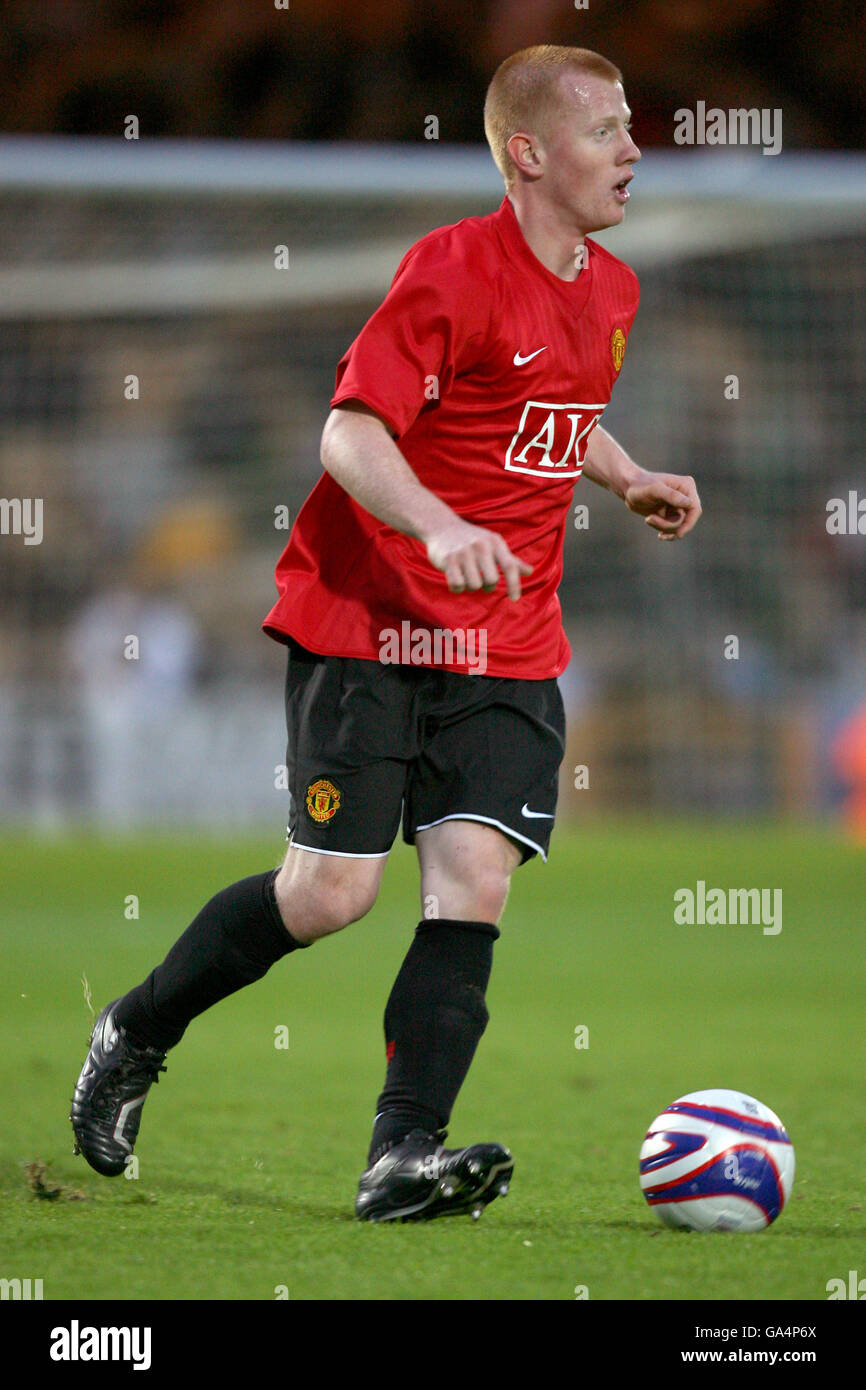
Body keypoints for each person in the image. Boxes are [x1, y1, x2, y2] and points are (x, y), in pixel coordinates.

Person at [70, 44, 701, 1223]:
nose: (631, 147)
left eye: (629, 126)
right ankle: (134, 1028)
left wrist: (622, 474)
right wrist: (438, 522)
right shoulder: (449, 271)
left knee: (472, 882)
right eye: (605, 129)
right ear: (526, 154)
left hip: (509, 642)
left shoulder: (610, 289)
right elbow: (350, 437)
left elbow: (553, 411)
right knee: (328, 897)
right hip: (374, 625)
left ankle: (399, 1156)